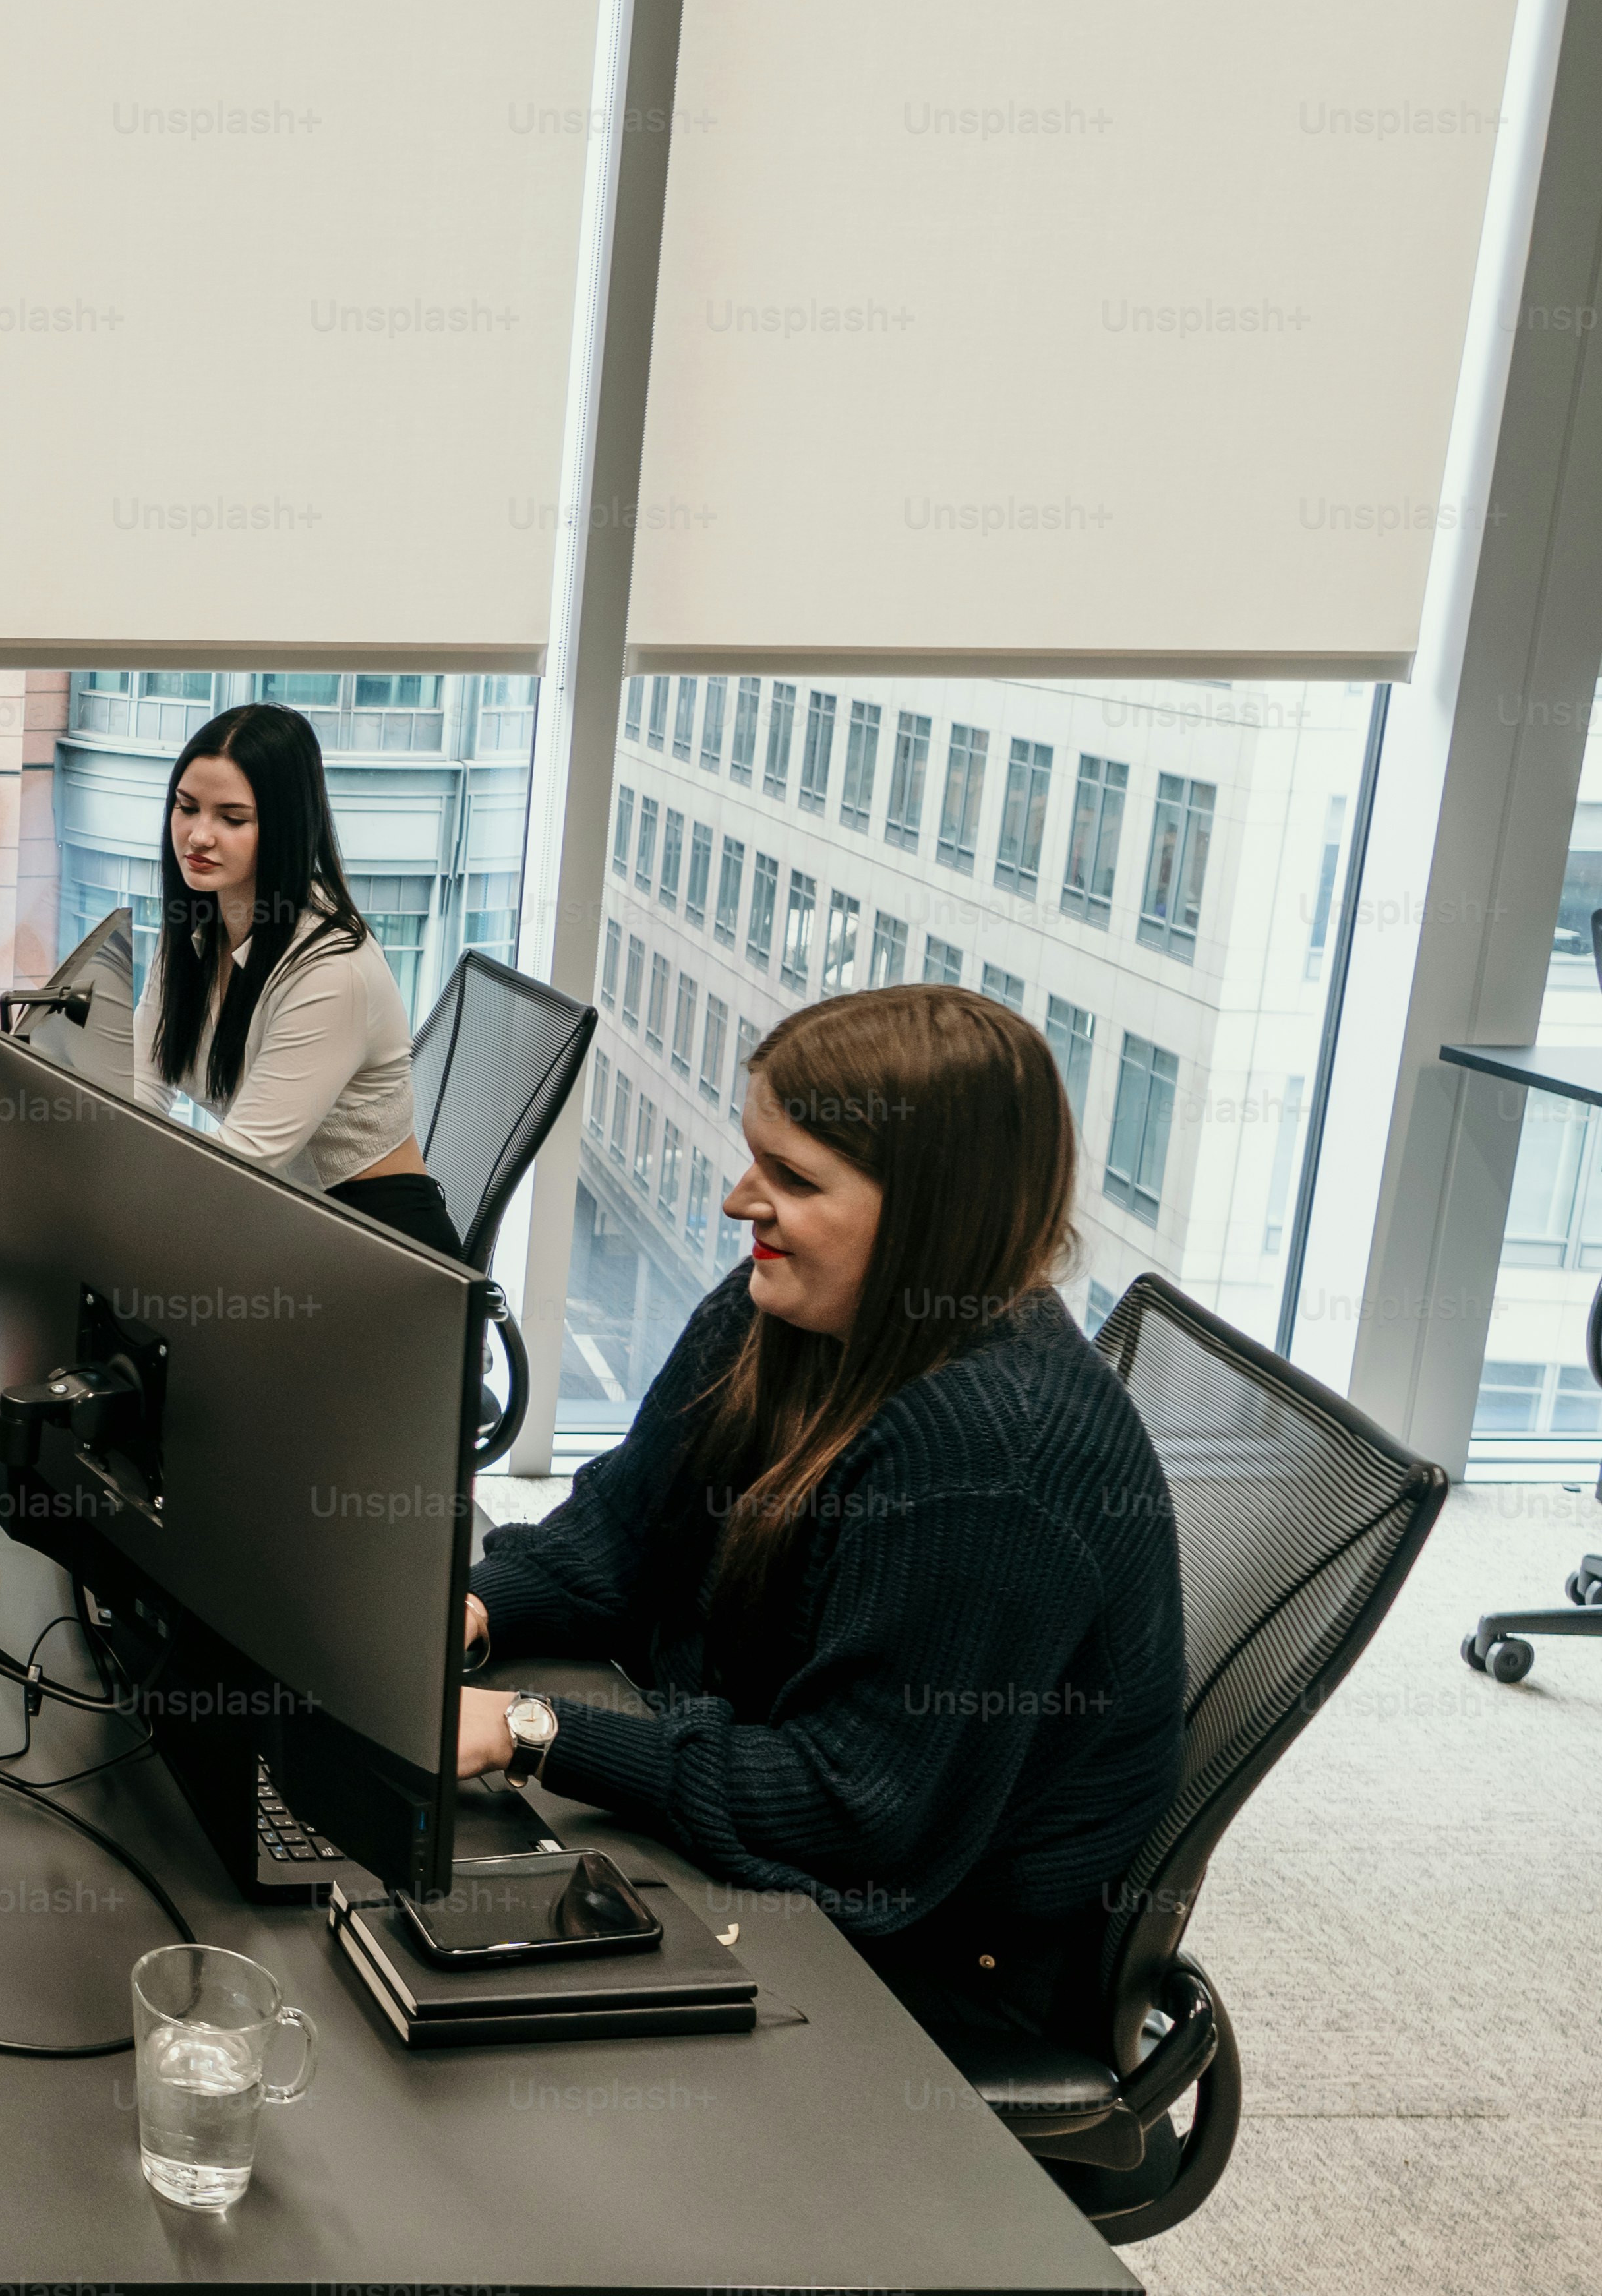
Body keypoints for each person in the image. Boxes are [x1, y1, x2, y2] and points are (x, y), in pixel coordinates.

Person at [456, 986, 1186, 2056]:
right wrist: (468, 1612)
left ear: (932, 1215)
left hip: (929, 1963)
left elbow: (856, 1816)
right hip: (784, 1824)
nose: (739, 1201)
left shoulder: (994, 1463)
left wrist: (536, 1732)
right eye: (758, 1157)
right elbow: (619, 1529)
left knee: (462, 2016)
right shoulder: (797, 1304)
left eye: (795, 1179)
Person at [127, 701, 461, 1252]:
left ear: (283, 826)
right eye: (187, 808)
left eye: (232, 819)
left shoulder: (331, 973)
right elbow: (144, 1084)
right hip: (283, 1212)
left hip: (378, 1244)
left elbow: (236, 1166)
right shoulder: (196, 921)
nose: (198, 836)